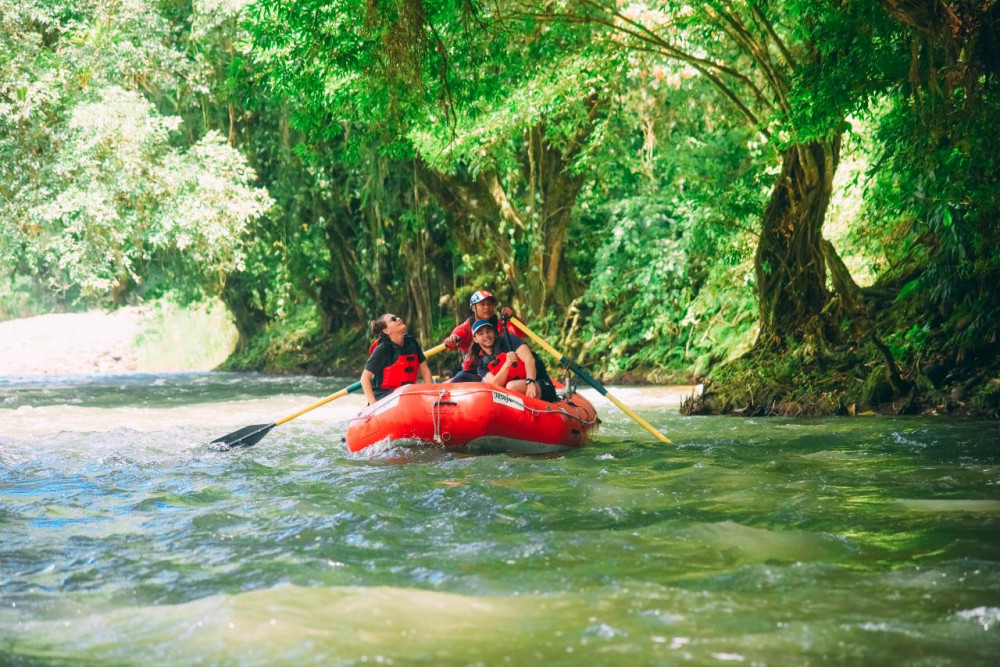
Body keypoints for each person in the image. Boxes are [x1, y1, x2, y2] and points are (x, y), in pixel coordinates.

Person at [443, 289, 527, 382]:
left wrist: (513, 317)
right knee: (460, 377)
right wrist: (452, 339)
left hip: (501, 369)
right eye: (482, 304)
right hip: (475, 373)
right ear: (474, 308)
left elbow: (522, 333)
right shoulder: (466, 328)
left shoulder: (501, 323)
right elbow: (453, 339)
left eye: (489, 304)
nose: (487, 307)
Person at [470, 319, 558, 402]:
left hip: (539, 384)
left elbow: (529, 359)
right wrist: (507, 364)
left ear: (493, 332)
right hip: (511, 396)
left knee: (512, 386)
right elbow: (495, 385)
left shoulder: (508, 339)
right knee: (508, 388)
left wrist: (531, 382)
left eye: (488, 331)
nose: (486, 335)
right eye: (480, 334)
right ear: (475, 339)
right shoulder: (481, 364)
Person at [361, 313, 434, 404]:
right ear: (386, 330)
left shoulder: (412, 343)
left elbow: (425, 371)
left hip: (407, 395)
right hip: (384, 398)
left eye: (397, 316)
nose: (398, 319)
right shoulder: (382, 350)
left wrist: (432, 396)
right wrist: (373, 405)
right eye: (393, 319)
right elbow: (364, 378)